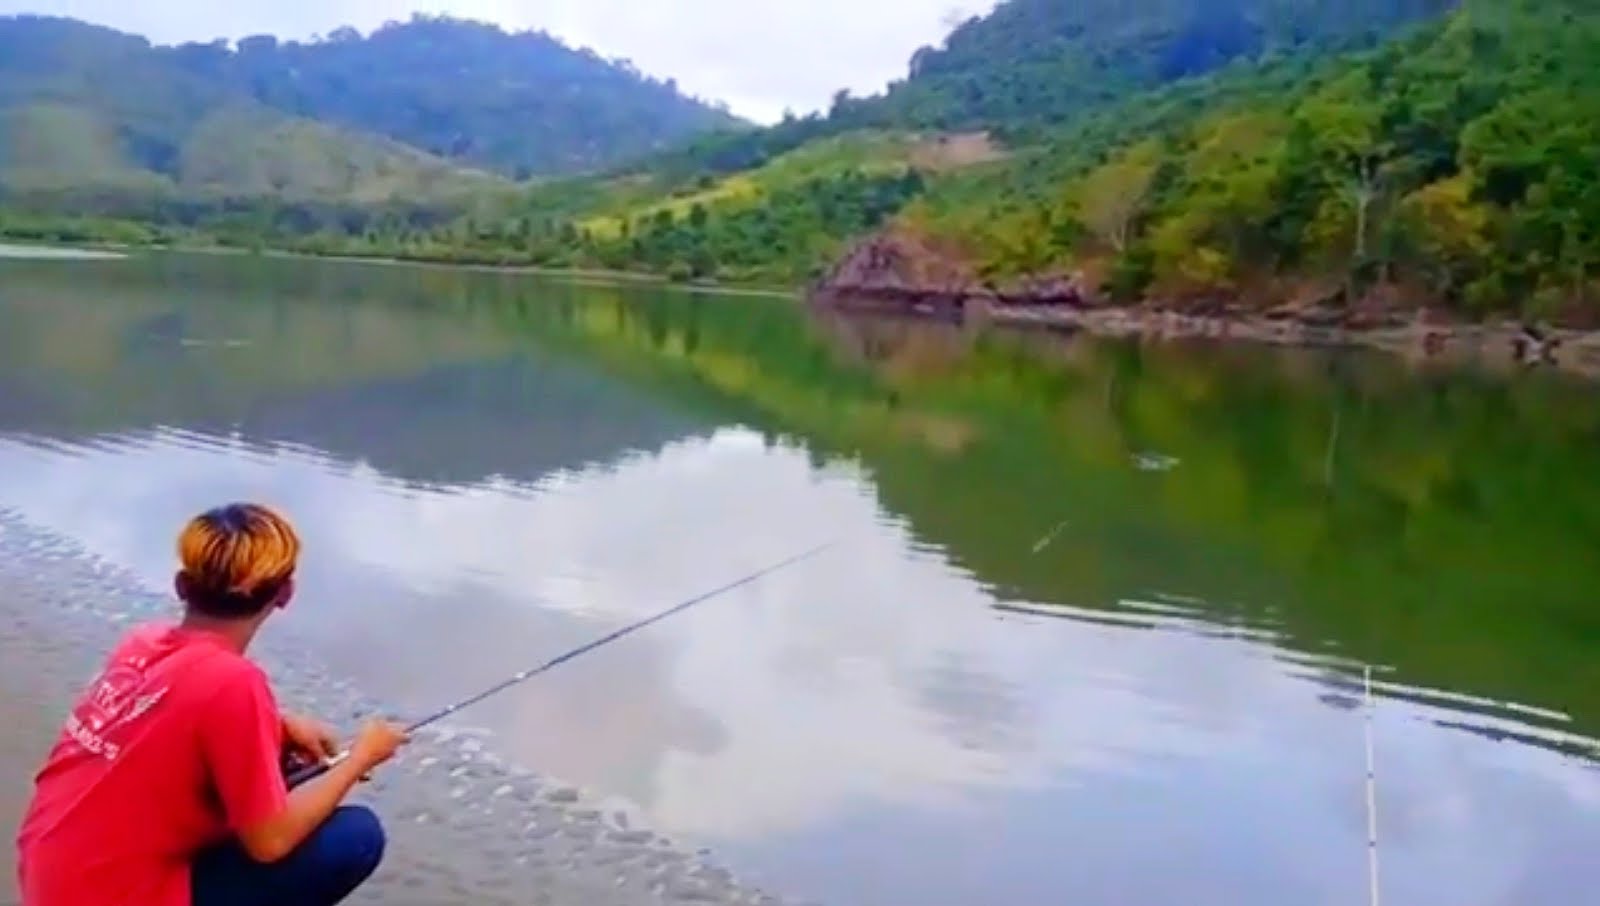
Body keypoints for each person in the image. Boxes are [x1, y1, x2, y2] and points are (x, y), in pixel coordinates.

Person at [15, 503, 410, 906]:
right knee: (356, 835)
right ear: (285, 594)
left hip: (49, 878)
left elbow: (171, 713)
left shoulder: (142, 642)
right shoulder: (234, 682)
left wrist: (279, 727)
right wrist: (360, 758)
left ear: (182, 586)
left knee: (281, 773)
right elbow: (269, 844)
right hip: (112, 896)